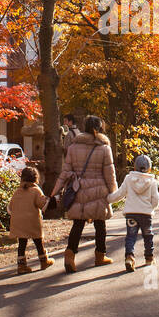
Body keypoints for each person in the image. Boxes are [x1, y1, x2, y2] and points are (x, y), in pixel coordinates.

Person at [50, 115, 117, 272]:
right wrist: (113, 191)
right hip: (99, 190)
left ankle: (70, 255)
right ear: (101, 128)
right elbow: (109, 173)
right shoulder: (104, 148)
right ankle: (100, 256)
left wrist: (55, 192)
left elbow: (65, 172)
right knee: (100, 224)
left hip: (78, 189)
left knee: (78, 224)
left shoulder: (73, 147)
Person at [109, 154, 159, 272]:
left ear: (134, 168)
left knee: (130, 237)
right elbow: (156, 200)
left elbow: (119, 194)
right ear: (150, 168)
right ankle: (149, 258)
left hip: (131, 214)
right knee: (148, 236)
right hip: (146, 215)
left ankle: (129, 257)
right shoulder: (152, 182)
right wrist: (150, 208)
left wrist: (108, 199)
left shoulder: (128, 179)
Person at [9, 166, 54, 274]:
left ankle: (21, 265)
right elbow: (42, 204)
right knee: (38, 241)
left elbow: (10, 207)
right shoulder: (35, 190)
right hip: (32, 220)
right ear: (35, 178)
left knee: (22, 243)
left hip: (18, 222)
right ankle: (44, 261)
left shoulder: (17, 191)